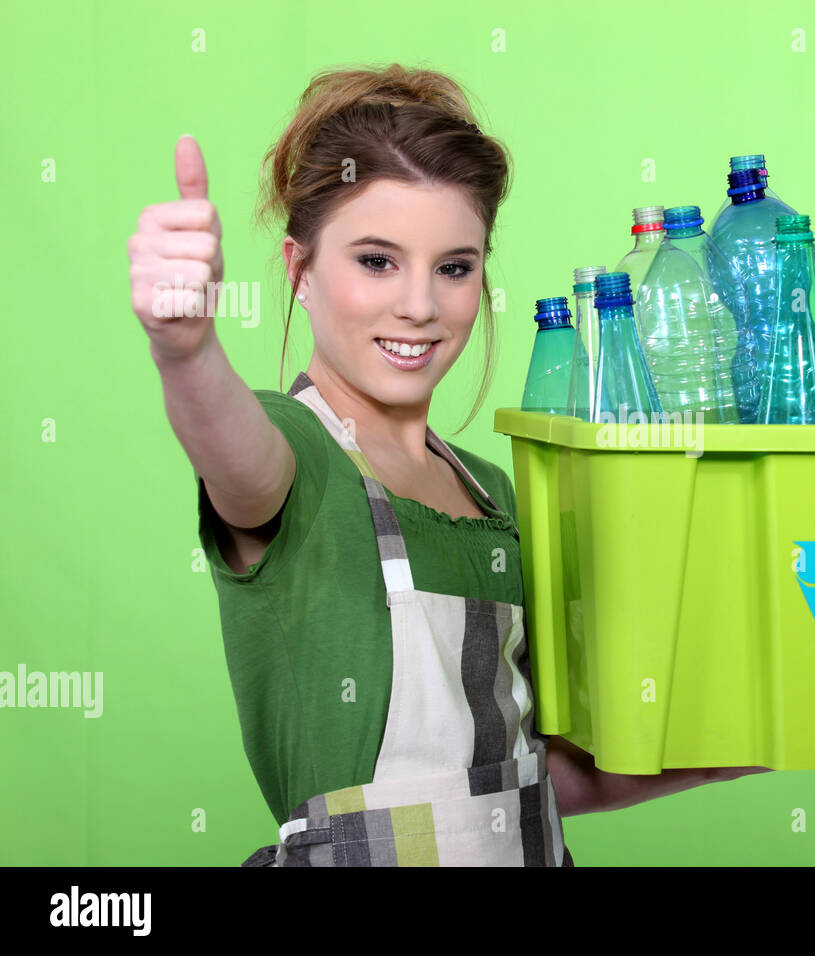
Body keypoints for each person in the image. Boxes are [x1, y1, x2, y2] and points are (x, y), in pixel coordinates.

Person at [127, 62, 768, 867]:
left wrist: (758, 736)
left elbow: (529, 777)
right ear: (299, 270)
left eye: (454, 267)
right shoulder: (294, 451)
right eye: (376, 261)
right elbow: (232, 450)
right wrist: (184, 349)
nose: (421, 306)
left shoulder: (490, 491)